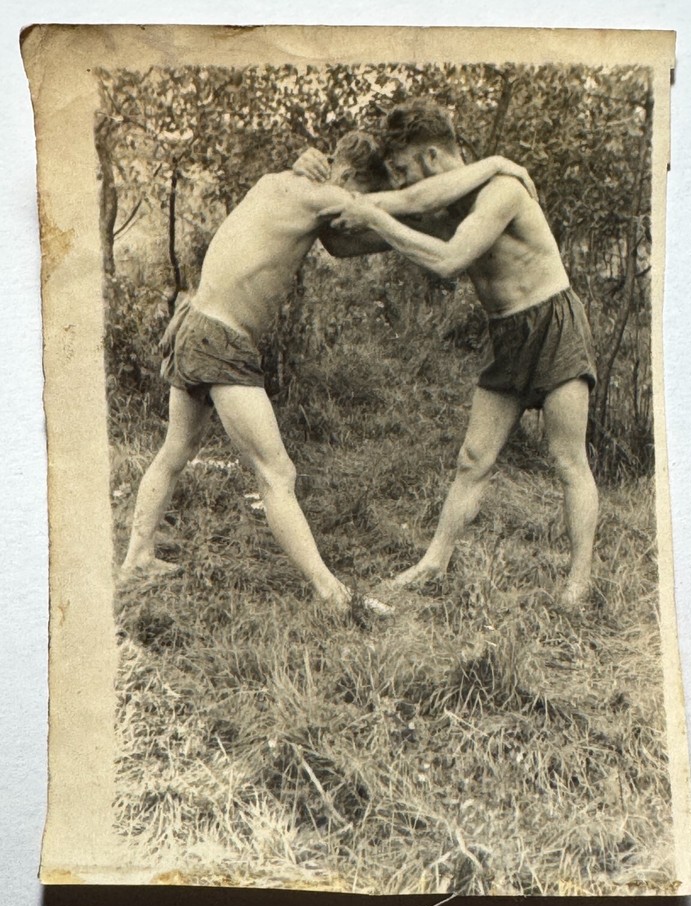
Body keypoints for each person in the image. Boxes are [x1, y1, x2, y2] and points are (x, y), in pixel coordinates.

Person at [120, 130, 535, 612]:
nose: (354, 200)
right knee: (277, 473)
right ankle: (331, 593)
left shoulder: (278, 183)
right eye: (357, 190)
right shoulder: (326, 193)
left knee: (178, 448)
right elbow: (405, 200)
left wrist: (414, 236)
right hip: (219, 339)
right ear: (350, 177)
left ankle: (138, 556)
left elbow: (342, 245)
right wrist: (496, 166)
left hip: (194, 322)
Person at [322, 101, 598, 607]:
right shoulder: (451, 206)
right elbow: (347, 246)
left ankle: (578, 584)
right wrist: (327, 206)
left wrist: (375, 214)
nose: (401, 184)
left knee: (567, 460)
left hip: (553, 323)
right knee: (473, 460)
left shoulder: (503, 191)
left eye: (403, 171)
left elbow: (448, 261)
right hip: (508, 335)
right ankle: (434, 564)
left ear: (430, 157)